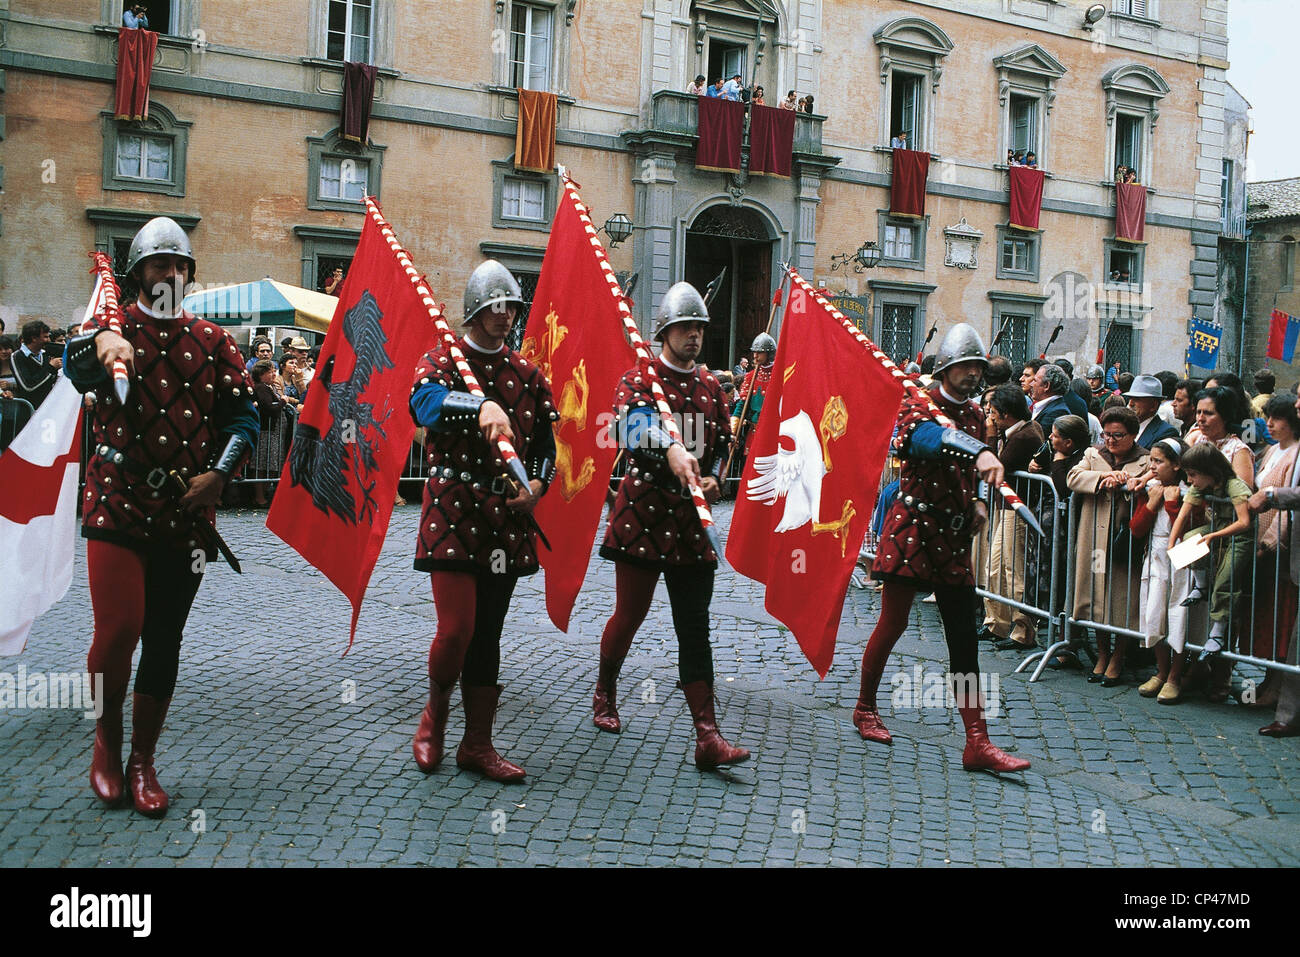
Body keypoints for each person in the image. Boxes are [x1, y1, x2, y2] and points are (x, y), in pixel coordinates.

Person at [62, 217, 258, 816]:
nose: (169, 274)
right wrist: (100, 343)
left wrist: (220, 475)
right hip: (116, 501)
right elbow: (74, 366)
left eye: (178, 266)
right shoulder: (109, 328)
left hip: (184, 512)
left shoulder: (214, 340)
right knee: (118, 630)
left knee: (163, 640)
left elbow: (245, 417)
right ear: (137, 273)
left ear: (189, 274)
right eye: (157, 265)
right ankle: (106, 742)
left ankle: (143, 760)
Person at [853, 323, 1029, 774]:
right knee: (892, 623)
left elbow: (971, 473)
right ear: (947, 369)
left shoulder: (973, 414)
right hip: (912, 528)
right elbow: (923, 441)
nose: (973, 374)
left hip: (951, 538)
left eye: (977, 367)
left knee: (964, 639)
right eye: (965, 366)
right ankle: (865, 707)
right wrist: (977, 453)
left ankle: (977, 741)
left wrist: (976, 500)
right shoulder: (918, 404)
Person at [407, 260, 556, 783]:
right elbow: (421, 405)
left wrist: (537, 485)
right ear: (474, 309)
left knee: (488, 632)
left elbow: (545, 449)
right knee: (457, 628)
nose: (503, 315)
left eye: (510, 307)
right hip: (453, 505)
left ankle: (477, 744)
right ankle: (435, 714)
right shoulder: (443, 360)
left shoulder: (529, 375)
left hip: (504, 517)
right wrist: (478, 405)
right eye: (494, 306)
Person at [590, 282, 746, 770]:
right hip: (644, 512)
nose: (695, 336)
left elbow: (722, 442)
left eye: (700, 328)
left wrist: (718, 476)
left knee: (694, 627)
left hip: (691, 519)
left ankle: (707, 735)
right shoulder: (640, 377)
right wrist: (669, 446)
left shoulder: (709, 387)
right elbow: (627, 425)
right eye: (685, 328)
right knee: (629, 615)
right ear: (665, 332)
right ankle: (605, 688)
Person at [1068, 407, 1149, 685]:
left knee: (1123, 596)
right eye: (1107, 434)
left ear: (1133, 435)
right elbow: (1073, 477)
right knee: (1096, 592)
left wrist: (1132, 484)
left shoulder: (1146, 460)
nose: (1111, 441)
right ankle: (1102, 653)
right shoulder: (1093, 454)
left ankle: (1119, 655)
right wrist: (1103, 479)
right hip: (1095, 540)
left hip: (1125, 541)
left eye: (1118, 435)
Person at [1169, 443, 1253, 691]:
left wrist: (1215, 537)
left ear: (1211, 471)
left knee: (1226, 579)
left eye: (1193, 474)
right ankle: (1201, 586)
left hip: (1240, 534)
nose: (1189, 479)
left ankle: (1217, 634)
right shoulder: (1199, 485)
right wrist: (1173, 541)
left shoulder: (1235, 485)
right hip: (1218, 528)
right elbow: (1184, 514)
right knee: (1190, 540)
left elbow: (1245, 522)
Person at [981, 383, 1044, 651]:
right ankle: (996, 621)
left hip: (1018, 510)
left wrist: (991, 437)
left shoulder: (1024, 436)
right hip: (1006, 507)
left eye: (992, 411)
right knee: (994, 567)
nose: (989, 416)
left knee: (1013, 570)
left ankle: (1023, 629)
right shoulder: (1018, 431)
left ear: (1004, 414)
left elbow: (997, 466)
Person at [1129, 438, 1192, 702]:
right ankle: (1161, 670)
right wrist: (1152, 504)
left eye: (1158, 462)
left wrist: (1171, 503)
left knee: (1178, 611)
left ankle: (1176, 674)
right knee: (1154, 610)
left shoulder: (1188, 492)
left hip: (1182, 555)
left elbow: (1188, 528)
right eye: (1151, 461)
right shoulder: (1152, 488)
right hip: (1155, 556)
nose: (1152, 467)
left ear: (1177, 465)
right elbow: (1136, 529)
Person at [1248, 394, 1300, 709]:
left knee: (1283, 620)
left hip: (1281, 548)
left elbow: (1286, 509)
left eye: (1276, 418)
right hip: (1263, 545)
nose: (1269, 424)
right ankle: (1269, 680)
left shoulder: (1296, 453)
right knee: (1268, 618)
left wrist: (1268, 543)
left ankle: (1278, 687)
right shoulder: (1269, 450)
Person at [1185, 385, 1254, 490]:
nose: (1200, 418)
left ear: (1225, 416)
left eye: (1208, 413)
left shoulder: (1238, 450)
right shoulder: (1196, 438)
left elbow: (1243, 492)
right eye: (1198, 412)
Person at [11, 320, 63, 409]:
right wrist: (50, 368)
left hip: (48, 408)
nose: (48, 340)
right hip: (28, 411)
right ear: (34, 338)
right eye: (45, 337)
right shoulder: (17, 356)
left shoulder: (45, 354)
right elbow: (28, 386)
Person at [1126, 374, 1180, 449]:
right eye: (1130, 398)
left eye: (1137, 399)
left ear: (1153, 406)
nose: (1130, 403)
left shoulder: (1166, 433)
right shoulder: (1125, 427)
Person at [1029, 362, 1072, 437]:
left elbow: (1038, 441)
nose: (1031, 384)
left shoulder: (1057, 412)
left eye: (1035, 381)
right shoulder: (1052, 407)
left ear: (1046, 386)